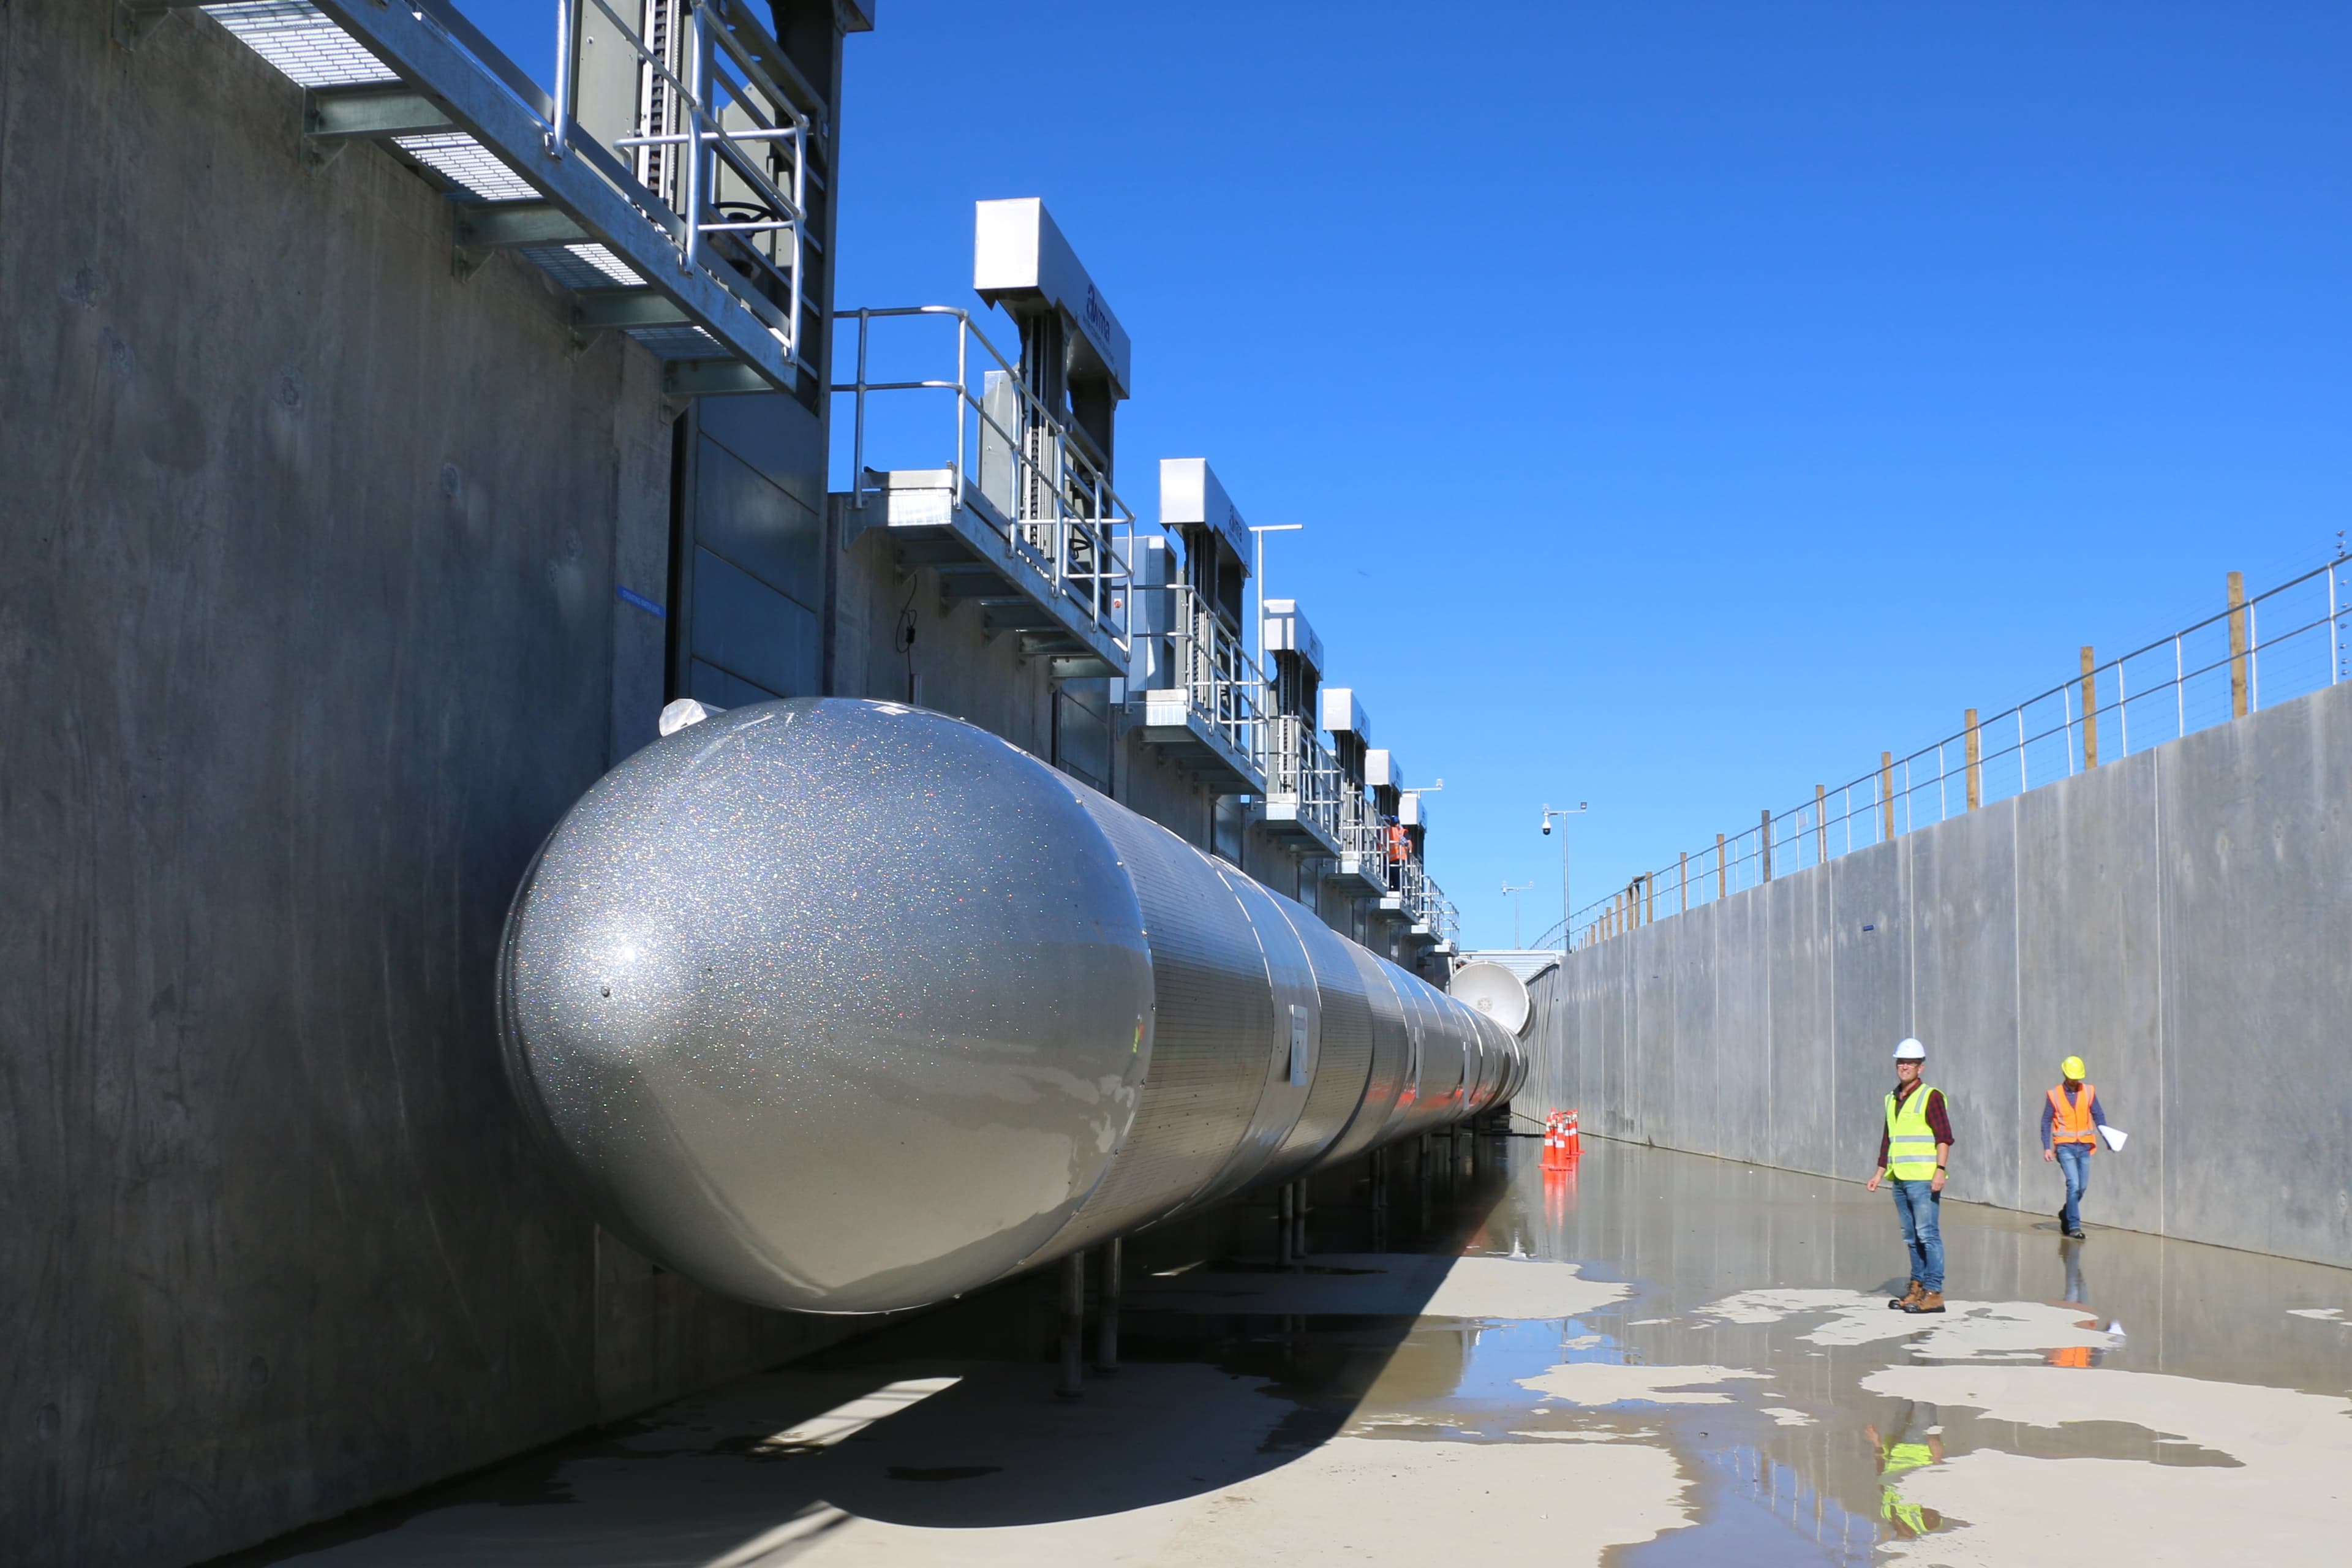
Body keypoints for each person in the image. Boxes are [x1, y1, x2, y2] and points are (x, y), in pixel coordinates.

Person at [1866, 1037, 1953, 1314]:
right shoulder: (1892, 1098)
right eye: (1901, 1062)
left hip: (1924, 1179)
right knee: (1912, 1237)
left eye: (1910, 1063)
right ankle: (1917, 1288)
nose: (1904, 1067)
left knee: (1928, 1235)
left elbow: (1944, 1137)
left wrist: (1940, 1170)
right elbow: (1888, 1139)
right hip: (1900, 1179)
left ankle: (1933, 1292)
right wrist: (1879, 1173)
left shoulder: (1931, 1097)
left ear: (1920, 1067)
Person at [2041, 1056, 2109, 1240]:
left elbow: (2098, 1115)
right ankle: (2074, 1226)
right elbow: (2046, 1121)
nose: (2074, 1081)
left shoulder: (2088, 1091)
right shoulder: (2054, 1094)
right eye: (2072, 1077)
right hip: (2065, 1146)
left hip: (2085, 1146)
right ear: (2065, 1074)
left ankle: (2066, 1212)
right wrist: (2047, 1147)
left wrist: (2108, 1138)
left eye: (2077, 1077)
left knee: (2082, 1187)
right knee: (2073, 1185)